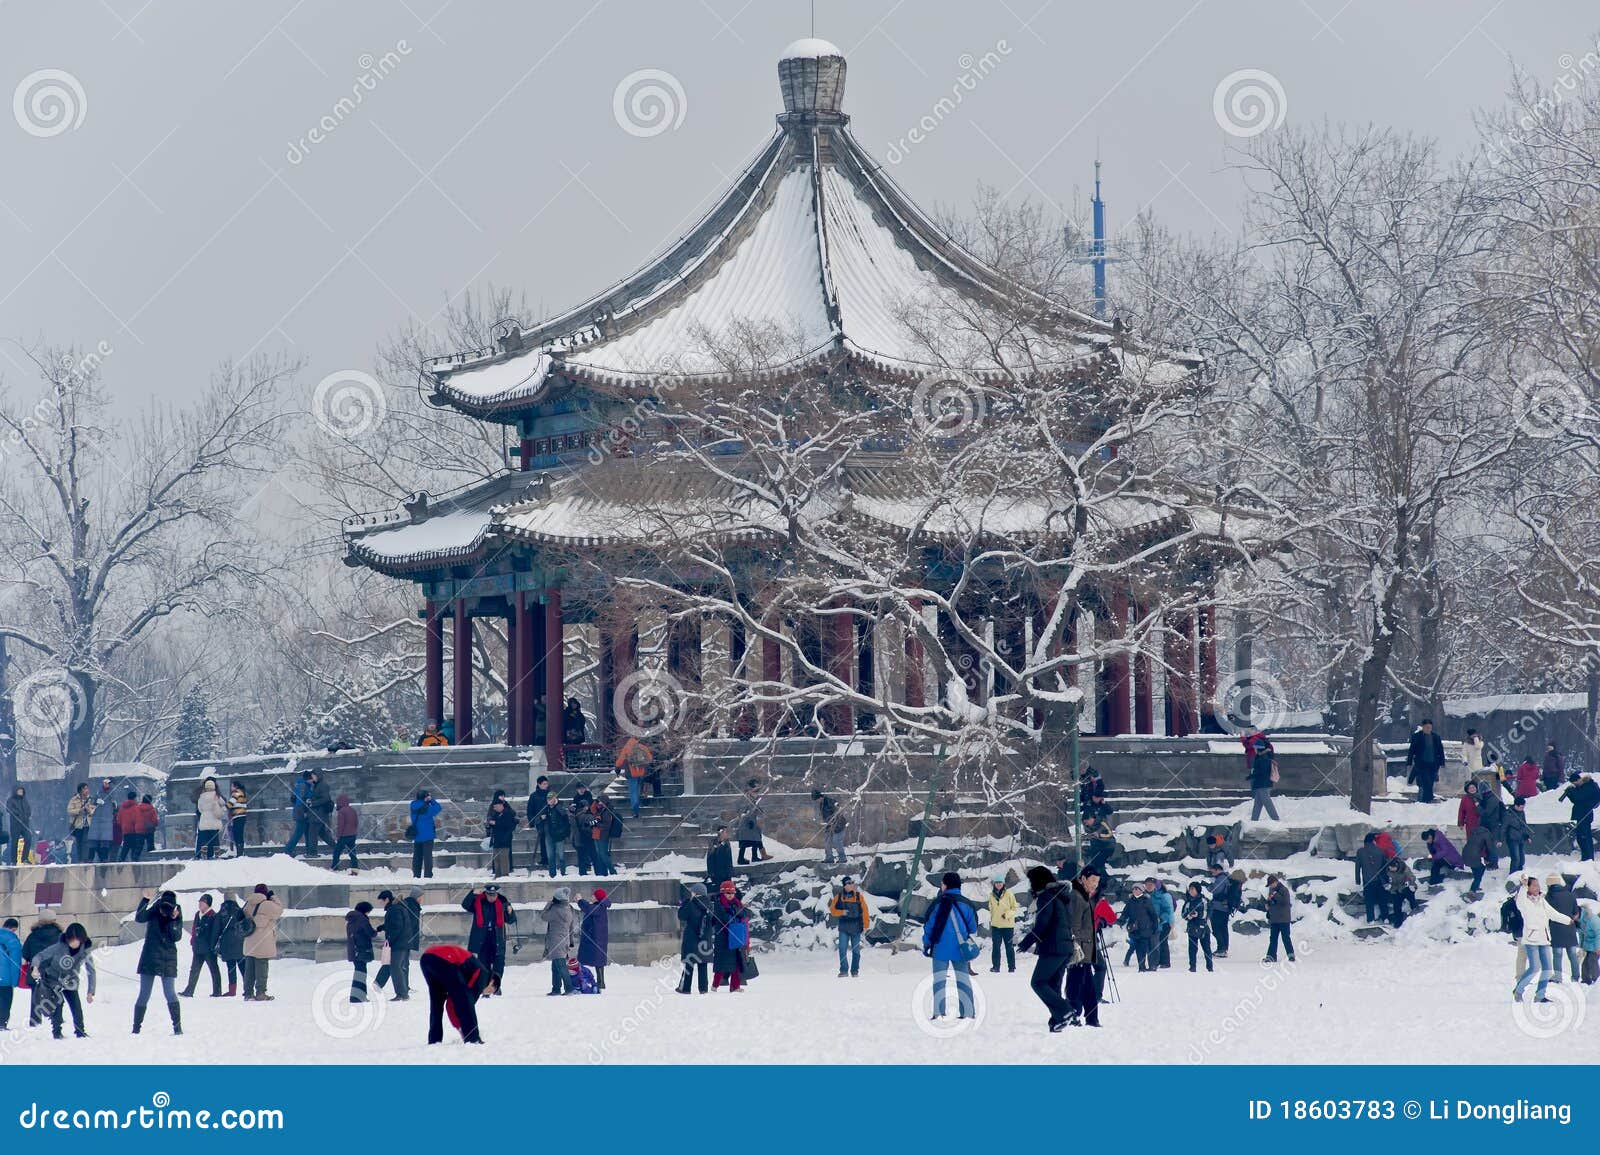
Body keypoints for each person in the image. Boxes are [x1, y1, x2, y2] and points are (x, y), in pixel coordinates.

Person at [1016, 866, 1074, 1031]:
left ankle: (1065, 1010)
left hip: (1053, 948)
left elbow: (1043, 924)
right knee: (1053, 985)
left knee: (1038, 982)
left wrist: (1026, 942)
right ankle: (1058, 1020)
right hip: (1065, 947)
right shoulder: (1061, 897)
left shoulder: (1046, 897)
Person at [922, 872, 977, 1018]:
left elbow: (929, 926)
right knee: (963, 980)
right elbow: (973, 928)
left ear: (945, 885)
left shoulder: (937, 903)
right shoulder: (967, 904)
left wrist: (926, 944)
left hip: (940, 948)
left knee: (939, 981)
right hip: (960, 949)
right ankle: (968, 1013)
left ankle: (939, 1013)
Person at [1514, 874, 1573, 1003]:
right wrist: (1523, 886)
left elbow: (1553, 914)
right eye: (1534, 885)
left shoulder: (1541, 900)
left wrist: (1568, 920)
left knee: (1547, 969)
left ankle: (1540, 995)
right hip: (1531, 940)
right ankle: (1518, 990)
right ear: (1528, 887)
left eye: (1538, 885)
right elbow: (1520, 901)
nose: (1537, 887)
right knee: (1535, 967)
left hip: (1544, 939)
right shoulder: (1524, 902)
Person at [132, 889, 184, 1035]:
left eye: (166, 910)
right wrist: (145, 900)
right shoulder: (155, 909)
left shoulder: (176, 913)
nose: (163, 912)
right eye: (162, 908)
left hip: (168, 958)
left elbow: (176, 936)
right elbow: (140, 917)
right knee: (144, 993)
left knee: (170, 993)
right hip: (150, 956)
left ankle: (177, 1028)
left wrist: (174, 920)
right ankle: (136, 1028)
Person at [30, 922, 95, 1039]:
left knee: (76, 1006)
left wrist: (91, 991)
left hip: (70, 981)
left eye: (77, 940)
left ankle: (80, 1031)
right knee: (57, 1004)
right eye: (71, 940)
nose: (74, 943)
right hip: (53, 979)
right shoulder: (59, 946)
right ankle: (57, 1032)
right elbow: (39, 956)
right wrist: (35, 968)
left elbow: (91, 970)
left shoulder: (85, 949)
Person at [421, 943, 494, 1043]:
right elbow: (465, 1003)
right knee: (464, 1000)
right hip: (445, 960)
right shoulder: (483, 974)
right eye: (490, 990)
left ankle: (434, 1039)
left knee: (436, 1002)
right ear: (492, 982)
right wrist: (461, 1028)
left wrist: (460, 1026)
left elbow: (452, 1003)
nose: (486, 993)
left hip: (426, 958)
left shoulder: (472, 969)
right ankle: (473, 1038)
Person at [463, 884, 515, 994]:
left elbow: (510, 920)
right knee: (483, 964)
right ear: (486, 894)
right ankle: (486, 987)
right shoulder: (478, 902)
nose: (492, 897)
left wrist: (510, 912)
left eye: (494, 895)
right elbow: (465, 905)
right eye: (490, 895)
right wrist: (472, 893)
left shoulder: (502, 902)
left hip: (497, 938)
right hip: (482, 938)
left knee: (498, 964)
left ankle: (495, 986)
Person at [374, 888, 421, 1000]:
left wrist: (390, 940)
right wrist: (383, 927)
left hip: (399, 943)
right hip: (403, 942)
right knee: (396, 966)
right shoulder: (397, 908)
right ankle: (401, 992)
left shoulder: (394, 909)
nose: (380, 904)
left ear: (386, 899)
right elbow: (394, 924)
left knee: (396, 967)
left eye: (381, 901)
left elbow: (396, 927)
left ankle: (402, 994)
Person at [708, 879, 752, 992]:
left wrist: (739, 911)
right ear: (723, 893)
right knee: (721, 964)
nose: (730, 895)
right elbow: (723, 918)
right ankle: (715, 985)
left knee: (736, 963)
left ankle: (735, 986)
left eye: (732, 893)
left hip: (735, 937)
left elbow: (743, 914)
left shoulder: (736, 903)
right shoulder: (718, 904)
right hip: (723, 939)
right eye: (728, 893)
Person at [242, 884, 283, 1001]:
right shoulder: (266, 905)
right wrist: (273, 897)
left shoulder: (248, 903)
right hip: (262, 942)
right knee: (262, 969)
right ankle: (260, 993)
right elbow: (279, 910)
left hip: (249, 941)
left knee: (249, 969)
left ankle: (248, 994)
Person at [179, 893, 223, 998]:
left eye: (202, 903)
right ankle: (189, 991)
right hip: (198, 947)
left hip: (208, 948)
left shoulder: (213, 915)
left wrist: (212, 946)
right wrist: (193, 940)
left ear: (208, 904)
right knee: (194, 969)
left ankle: (217, 991)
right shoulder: (197, 914)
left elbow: (215, 932)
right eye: (200, 902)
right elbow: (194, 928)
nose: (200, 904)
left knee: (213, 969)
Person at [677, 883, 716, 994]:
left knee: (689, 965)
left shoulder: (691, 904)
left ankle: (685, 988)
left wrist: (684, 904)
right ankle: (703, 989)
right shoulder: (710, 905)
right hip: (705, 940)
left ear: (696, 893)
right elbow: (713, 922)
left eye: (692, 891)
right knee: (702, 965)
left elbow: (681, 916)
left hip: (692, 939)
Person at [829, 875, 871, 978]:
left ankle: (855, 971)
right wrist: (841, 912)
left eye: (852, 883)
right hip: (843, 928)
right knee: (842, 949)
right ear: (844, 886)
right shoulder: (838, 897)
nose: (851, 885)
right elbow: (832, 910)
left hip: (856, 928)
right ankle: (843, 970)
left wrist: (866, 925)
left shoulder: (859, 896)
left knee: (856, 951)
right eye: (849, 883)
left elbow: (865, 911)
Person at [542, 887, 579, 995]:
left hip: (555, 941)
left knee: (561, 966)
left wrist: (548, 904)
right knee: (555, 966)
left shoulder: (555, 910)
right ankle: (556, 989)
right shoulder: (569, 908)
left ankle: (569, 988)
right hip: (564, 940)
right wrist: (571, 941)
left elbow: (543, 916)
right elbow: (571, 927)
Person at [1545, 872, 1581, 983]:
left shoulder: (1548, 897)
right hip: (1569, 928)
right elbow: (1576, 914)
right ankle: (1575, 977)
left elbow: (1546, 913)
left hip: (1556, 930)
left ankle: (1558, 977)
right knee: (1572, 955)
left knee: (1557, 955)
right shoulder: (1570, 895)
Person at [1119, 882, 1159, 972]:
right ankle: (1141, 967)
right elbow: (1125, 913)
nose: (1135, 890)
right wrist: (1121, 920)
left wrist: (1155, 926)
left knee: (1145, 947)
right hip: (1134, 929)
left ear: (1141, 891)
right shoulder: (1130, 901)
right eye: (1133, 889)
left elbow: (1153, 914)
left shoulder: (1146, 900)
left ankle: (1150, 966)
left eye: (1137, 889)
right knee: (1138, 949)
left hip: (1146, 928)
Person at [1559, 771, 1598, 862]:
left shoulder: (1588, 786)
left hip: (1585, 814)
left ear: (1579, 779)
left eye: (1575, 782)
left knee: (1585, 836)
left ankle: (1588, 857)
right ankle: (1585, 857)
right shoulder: (1580, 788)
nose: (1575, 784)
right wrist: (1569, 794)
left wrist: (1572, 791)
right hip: (1580, 814)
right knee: (1580, 837)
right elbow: (1576, 800)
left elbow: (1580, 797)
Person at [578, 888, 612, 991]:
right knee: (598, 962)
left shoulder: (599, 907)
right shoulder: (600, 906)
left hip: (595, 938)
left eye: (593, 895)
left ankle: (590, 981)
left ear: (597, 897)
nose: (591, 897)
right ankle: (600, 982)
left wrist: (580, 900)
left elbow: (588, 908)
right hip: (596, 938)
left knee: (596, 961)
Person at [214, 893, 247, 997]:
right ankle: (248, 989)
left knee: (231, 968)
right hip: (240, 943)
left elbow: (216, 929)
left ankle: (232, 990)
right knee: (243, 968)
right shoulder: (240, 911)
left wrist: (213, 944)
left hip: (227, 945)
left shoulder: (221, 912)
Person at [1405, 719, 1445, 804]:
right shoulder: (1417, 736)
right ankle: (1426, 799)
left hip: (1433, 763)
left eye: (1430, 727)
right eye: (1426, 727)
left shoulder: (1436, 737)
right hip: (1421, 763)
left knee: (1430, 781)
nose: (1428, 729)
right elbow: (1411, 750)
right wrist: (1409, 761)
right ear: (1423, 727)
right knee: (1425, 780)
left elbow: (1440, 750)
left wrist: (1442, 762)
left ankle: (1428, 798)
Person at [1353, 832, 1390, 922]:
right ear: (1373, 841)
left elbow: (1357, 867)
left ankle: (1370, 919)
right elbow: (1385, 866)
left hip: (1368, 881)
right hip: (1380, 880)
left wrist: (1358, 881)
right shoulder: (1380, 850)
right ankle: (1385, 918)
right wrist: (1387, 879)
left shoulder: (1360, 851)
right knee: (1382, 900)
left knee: (1369, 902)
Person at [986, 872, 1018, 973]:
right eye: (997, 882)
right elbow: (991, 908)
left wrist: (1007, 915)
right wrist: (992, 918)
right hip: (996, 925)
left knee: (1009, 947)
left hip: (1007, 925)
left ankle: (1011, 967)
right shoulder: (991, 895)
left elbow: (1014, 908)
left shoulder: (1009, 894)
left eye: (1000, 882)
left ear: (1003, 883)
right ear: (994, 884)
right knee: (996, 946)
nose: (998, 884)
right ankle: (996, 967)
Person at [533, 791, 570, 877]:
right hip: (548, 836)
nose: (550, 800)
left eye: (551, 798)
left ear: (555, 799)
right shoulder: (544, 808)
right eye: (548, 799)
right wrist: (541, 818)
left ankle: (563, 873)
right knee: (550, 856)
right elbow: (536, 820)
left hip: (559, 835)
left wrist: (556, 806)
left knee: (561, 856)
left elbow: (565, 817)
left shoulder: (560, 807)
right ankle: (552, 874)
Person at [346, 901, 377, 1003]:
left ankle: (359, 996)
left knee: (359, 972)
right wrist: (376, 931)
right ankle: (357, 997)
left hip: (354, 950)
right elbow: (370, 933)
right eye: (368, 912)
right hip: (361, 949)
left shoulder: (351, 920)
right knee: (361, 973)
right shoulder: (362, 919)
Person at [616, 735, 653, 818]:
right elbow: (650, 758)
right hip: (641, 772)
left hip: (631, 773)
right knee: (638, 789)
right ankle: (637, 805)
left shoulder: (627, 747)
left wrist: (617, 767)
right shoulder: (642, 747)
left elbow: (620, 759)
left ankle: (635, 810)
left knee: (633, 792)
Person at [409, 790, 443, 879]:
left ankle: (416, 875)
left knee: (417, 856)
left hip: (417, 835)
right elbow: (438, 808)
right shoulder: (428, 808)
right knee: (427, 856)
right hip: (427, 836)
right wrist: (431, 800)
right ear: (425, 797)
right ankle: (428, 875)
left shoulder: (413, 805)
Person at [1182, 880, 1214, 972]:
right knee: (1192, 948)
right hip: (1192, 927)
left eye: (1193, 889)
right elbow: (1183, 913)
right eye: (1190, 889)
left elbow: (1207, 912)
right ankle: (1192, 966)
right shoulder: (1188, 901)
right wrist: (1187, 916)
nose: (1191, 891)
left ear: (1198, 890)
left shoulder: (1204, 900)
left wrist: (1198, 915)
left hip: (1203, 927)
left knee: (1206, 948)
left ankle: (1210, 967)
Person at [193, 777, 228, 860]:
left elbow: (200, 809)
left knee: (204, 840)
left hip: (204, 820)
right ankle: (217, 855)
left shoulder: (201, 797)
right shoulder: (216, 796)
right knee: (215, 839)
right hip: (214, 821)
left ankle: (204, 854)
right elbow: (223, 803)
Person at [282, 772, 315, 858]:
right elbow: (300, 800)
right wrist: (304, 811)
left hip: (302, 812)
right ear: (308, 779)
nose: (313, 780)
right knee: (298, 833)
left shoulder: (302, 785)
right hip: (301, 813)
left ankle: (309, 851)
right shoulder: (303, 786)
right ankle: (287, 851)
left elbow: (293, 798)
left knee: (307, 832)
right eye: (312, 779)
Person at [1460, 814, 1496, 893]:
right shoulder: (1486, 833)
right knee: (1481, 870)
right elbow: (1489, 848)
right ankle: (1473, 889)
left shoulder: (1474, 830)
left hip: (1465, 853)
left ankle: (1476, 886)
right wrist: (1489, 859)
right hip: (1474, 855)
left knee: (1476, 869)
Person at [1264, 874, 1295, 962]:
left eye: (1271, 884)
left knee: (1285, 937)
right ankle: (1271, 956)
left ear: (1276, 882)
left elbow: (1285, 902)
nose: (1270, 886)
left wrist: (1275, 895)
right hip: (1274, 919)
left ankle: (1291, 955)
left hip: (1284, 919)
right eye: (1269, 885)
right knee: (1273, 938)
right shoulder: (1271, 890)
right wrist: (1267, 904)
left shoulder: (1284, 890)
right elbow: (1270, 900)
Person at [585, 796, 618, 877]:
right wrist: (595, 801)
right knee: (599, 855)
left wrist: (596, 824)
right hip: (596, 835)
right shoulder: (599, 809)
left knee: (603, 855)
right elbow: (592, 809)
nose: (599, 803)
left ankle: (612, 871)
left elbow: (606, 826)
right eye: (598, 802)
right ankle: (604, 872)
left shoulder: (607, 812)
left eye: (600, 801)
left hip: (603, 836)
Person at [1248, 738, 1280, 820]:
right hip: (1262, 783)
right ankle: (1254, 820)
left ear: (1258, 748)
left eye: (1255, 748)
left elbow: (1262, 772)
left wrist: (1252, 775)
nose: (1254, 750)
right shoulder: (1263, 757)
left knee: (1267, 803)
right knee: (1258, 803)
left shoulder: (1263, 758)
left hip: (1262, 784)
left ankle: (1276, 819)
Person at [1146, 876, 1174, 969]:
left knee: (1160, 942)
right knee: (1151, 944)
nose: (1149, 886)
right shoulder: (1143, 896)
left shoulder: (1161, 896)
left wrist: (1162, 919)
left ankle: (1161, 962)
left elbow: (1168, 910)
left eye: (1151, 885)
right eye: (1147, 885)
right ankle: (1153, 963)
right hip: (1146, 925)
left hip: (1161, 924)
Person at [485, 797, 517, 878]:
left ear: (500, 805)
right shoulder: (496, 814)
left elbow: (507, 825)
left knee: (503, 858)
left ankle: (504, 875)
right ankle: (497, 874)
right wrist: (489, 824)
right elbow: (493, 824)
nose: (494, 808)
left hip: (505, 838)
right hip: (496, 839)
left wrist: (495, 823)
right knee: (496, 858)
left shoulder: (507, 813)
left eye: (496, 807)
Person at [86, 778, 117, 862]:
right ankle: (91, 858)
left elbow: (115, 805)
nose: (105, 784)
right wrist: (96, 802)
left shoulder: (113, 792)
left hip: (107, 820)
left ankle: (104, 858)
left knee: (105, 841)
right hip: (97, 819)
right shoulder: (98, 792)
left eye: (107, 783)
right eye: (104, 782)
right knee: (94, 840)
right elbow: (92, 804)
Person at [813, 789, 847, 864]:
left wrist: (835, 817)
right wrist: (827, 822)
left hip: (839, 825)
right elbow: (825, 816)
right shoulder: (821, 804)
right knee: (827, 842)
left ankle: (842, 858)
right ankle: (829, 858)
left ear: (820, 797)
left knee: (837, 841)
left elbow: (840, 810)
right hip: (829, 825)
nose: (817, 801)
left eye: (817, 799)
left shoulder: (830, 801)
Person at [1206, 863, 1235, 954]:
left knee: (1216, 928)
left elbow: (1215, 890)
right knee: (1223, 928)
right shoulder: (1226, 878)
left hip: (1219, 907)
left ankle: (1221, 948)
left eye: (1213, 871)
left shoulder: (1221, 878)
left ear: (1218, 870)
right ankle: (1224, 948)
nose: (1212, 873)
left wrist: (1208, 886)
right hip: (1225, 907)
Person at [526, 775, 552, 870]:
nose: (546, 785)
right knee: (542, 840)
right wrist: (533, 821)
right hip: (539, 821)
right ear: (539, 784)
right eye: (544, 784)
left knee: (550, 839)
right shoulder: (534, 796)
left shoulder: (551, 794)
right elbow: (530, 810)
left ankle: (550, 858)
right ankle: (544, 858)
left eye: (546, 783)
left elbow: (556, 805)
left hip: (550, 820)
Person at [569, 786, 598, 875]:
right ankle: (599, 872)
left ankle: (582, 872)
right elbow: (590, 826)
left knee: (581, 857)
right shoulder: (587, 815)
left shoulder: (573, 816)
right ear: (585, 807)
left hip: (576, 839)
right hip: (587, 838)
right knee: (594, 856)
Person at [331, 794, 362, 872]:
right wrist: (354, 832)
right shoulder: (353, 810)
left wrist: (338, 836)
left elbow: (341, 825)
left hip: (344, 836)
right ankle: (355, 870)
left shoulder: (341, 812)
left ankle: (334, 868)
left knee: (337, 852)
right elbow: (356, 823)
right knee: (352, 853)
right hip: (352, 835)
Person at [735, 789, 767, 864]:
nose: (756, 794)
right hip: (746, 823)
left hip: (750, 822)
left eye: (757, 792)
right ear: (750, 792)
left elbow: (756, 810)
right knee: (746, 841)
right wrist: (749, 820)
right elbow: (744, 811)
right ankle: (741, 859)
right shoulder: (746, 800)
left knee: (755, 840)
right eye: (754, 792)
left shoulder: (753, 800)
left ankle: (754, 857)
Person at [1385, 858, 1419, 926]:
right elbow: (1389, 882)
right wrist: (1389, 887)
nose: (1391, 869)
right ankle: (1398, 922)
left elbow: (1412, 877)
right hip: (1396, 889)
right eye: (1389, 868)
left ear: (1396, 866)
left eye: (1392, 868)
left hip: (1406, 887)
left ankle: (1417, 916)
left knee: (1412, 900)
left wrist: (1409, 882)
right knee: (1396, 906)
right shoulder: (1388, 871)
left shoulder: (1404, 868)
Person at [66, 782, 95, 863]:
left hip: (87, 824)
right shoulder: (74, 799)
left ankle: (85, 858)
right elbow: (69, 811)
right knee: (79, 842)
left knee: (86, 841)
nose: (87, 790)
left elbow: (94, 810)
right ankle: (80, 859)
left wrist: (89, 810)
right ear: (81, 790)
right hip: (78, 824)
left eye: (87, 788)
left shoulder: (90, 799)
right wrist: (79, 811)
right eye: (85, 788)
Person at [1503, 797, 1530, 874]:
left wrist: (1527, 836)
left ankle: (1519, 873)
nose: (1523, 808)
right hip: (1512, 838)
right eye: (1521, 807)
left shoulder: (1522, 812)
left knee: (1522, 859)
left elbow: (1524, 825)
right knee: (1516, 858)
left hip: (1521, 838)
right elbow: (1503, 827)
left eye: (1523, 806)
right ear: (1516, 805)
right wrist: (1500, 839)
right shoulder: (1508, 814)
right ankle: (1512, 874)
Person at [1577, 901, 1600, 986]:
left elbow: (1599, 934)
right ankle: (1586, 980)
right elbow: (1581, 933)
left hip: (1597, 943)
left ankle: (1597, 980)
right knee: (1585, 962)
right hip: (1588, 945)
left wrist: (1598, 948)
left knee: (1592, 961)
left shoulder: (1593, 919)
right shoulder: (1580, 921)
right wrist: (1581, 947)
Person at [5, 787, 30, 864]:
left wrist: (27, 816)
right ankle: (13, 860)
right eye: (19, 791)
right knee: (14, 842)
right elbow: (8, 809)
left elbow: (29, 809)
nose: (21, 792)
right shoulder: (11, 800)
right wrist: (18, 815)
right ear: (15, 791)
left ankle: (25, 858)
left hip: (25, 824)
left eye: (22, 791)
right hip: (15, 825)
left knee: (28, 838)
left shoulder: (25, 800)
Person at [706, 825, 734, 889]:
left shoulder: (727, 843)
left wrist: (730, 871)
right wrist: (711, 873)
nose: (727, 833)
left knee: (728, 891)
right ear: (720, 832)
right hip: (717, 874)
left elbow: (729, 859)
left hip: (727, 873)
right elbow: (710, 858)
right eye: (726, 832)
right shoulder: (714, 843)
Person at [227, 781, 249, 857]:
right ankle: (241, 852)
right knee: (240, 835)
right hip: (243, 817)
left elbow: (229, 805)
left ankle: (239, 853)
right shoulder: (242, 793)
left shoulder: (236, 794)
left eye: (232, 786)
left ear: (235, 787)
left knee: (237, 835)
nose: (231, 788)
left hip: (237, 817)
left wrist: (222, 807)